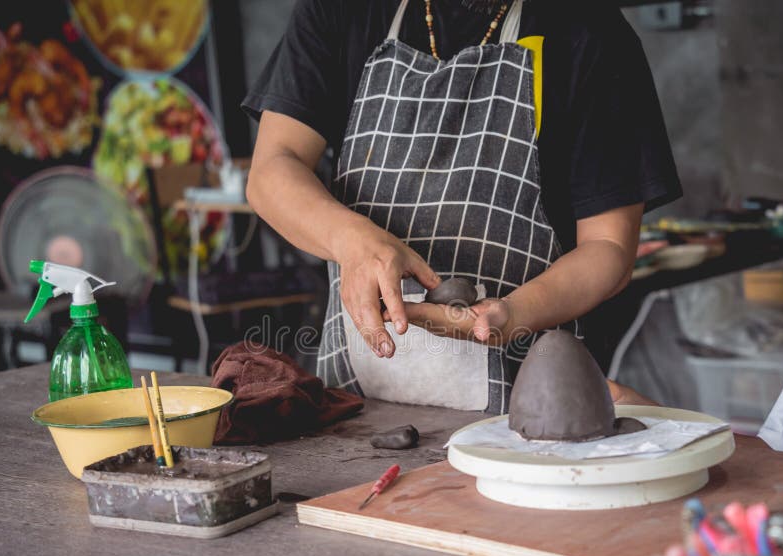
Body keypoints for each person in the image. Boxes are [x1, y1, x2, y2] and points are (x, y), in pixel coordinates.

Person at [243, 0, 680, 413]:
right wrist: (352, 240)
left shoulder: (591, 32)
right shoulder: (343, 10)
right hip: (358, 413)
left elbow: (609, 248)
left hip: (531, 404)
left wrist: (514, 314)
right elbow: (272, 170)